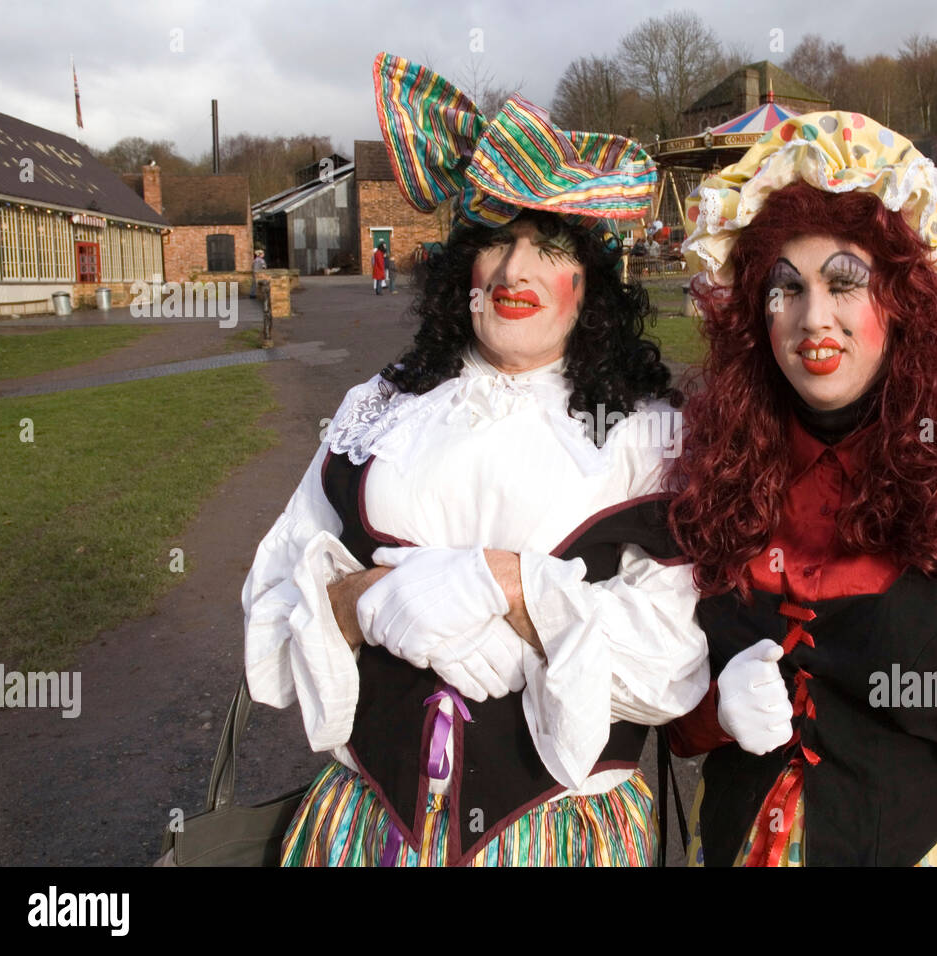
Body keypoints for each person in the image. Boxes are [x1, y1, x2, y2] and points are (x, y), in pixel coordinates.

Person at [242, 55, 707, 867]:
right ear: (465, 270)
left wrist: (509, 589)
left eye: (550, 246)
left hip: (561, 837)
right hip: (370, 830)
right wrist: (365, 602)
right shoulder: (378, 412)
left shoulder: (644, 435)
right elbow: (275, 607)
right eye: (496, 241)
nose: (516, 269)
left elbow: (673, 662)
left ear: (589, 280)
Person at [666, 111, 937, 866]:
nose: (812, 319)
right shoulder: (714, 469)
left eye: (845, 283)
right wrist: (713, 710)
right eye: (783, 288)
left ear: (903, 299)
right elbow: (669, 715)